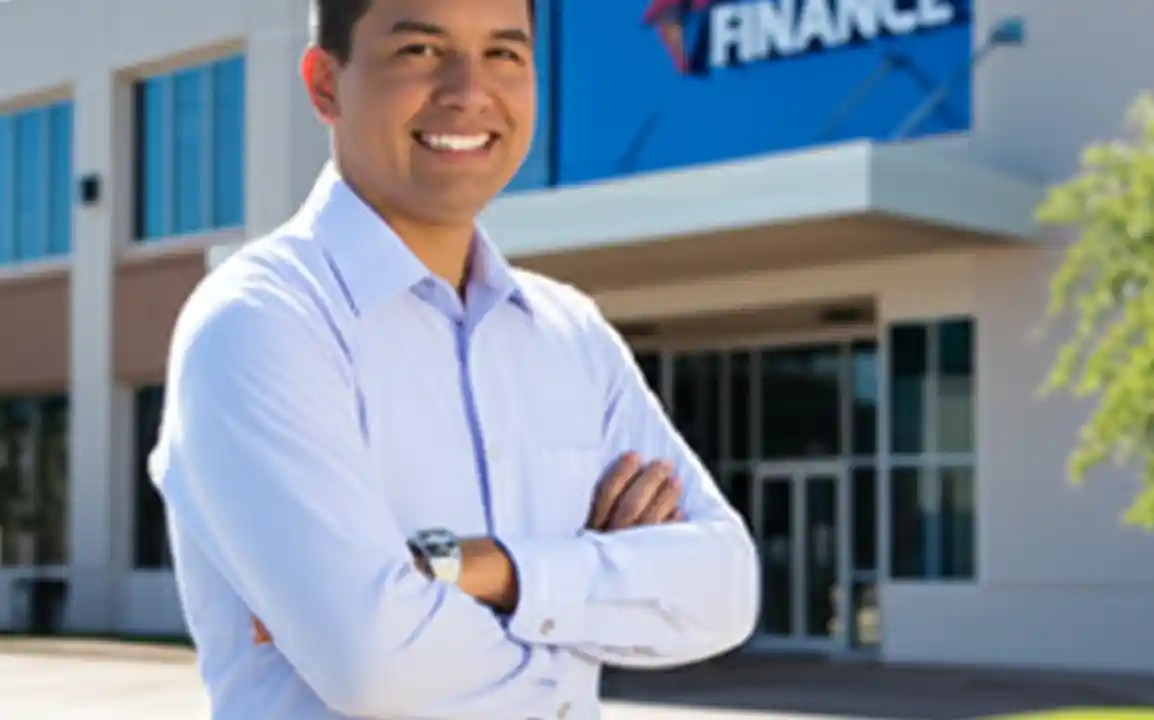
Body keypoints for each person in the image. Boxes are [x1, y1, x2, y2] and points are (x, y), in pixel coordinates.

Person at [147, 0, 761, 718]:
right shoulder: (260, 323)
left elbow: (726, 590)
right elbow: (378, 667)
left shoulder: (570, 335)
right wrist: (590, 607)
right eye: (420, 51)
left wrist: (489, 570)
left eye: (504, 54)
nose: (470, 92)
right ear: (325, 84)